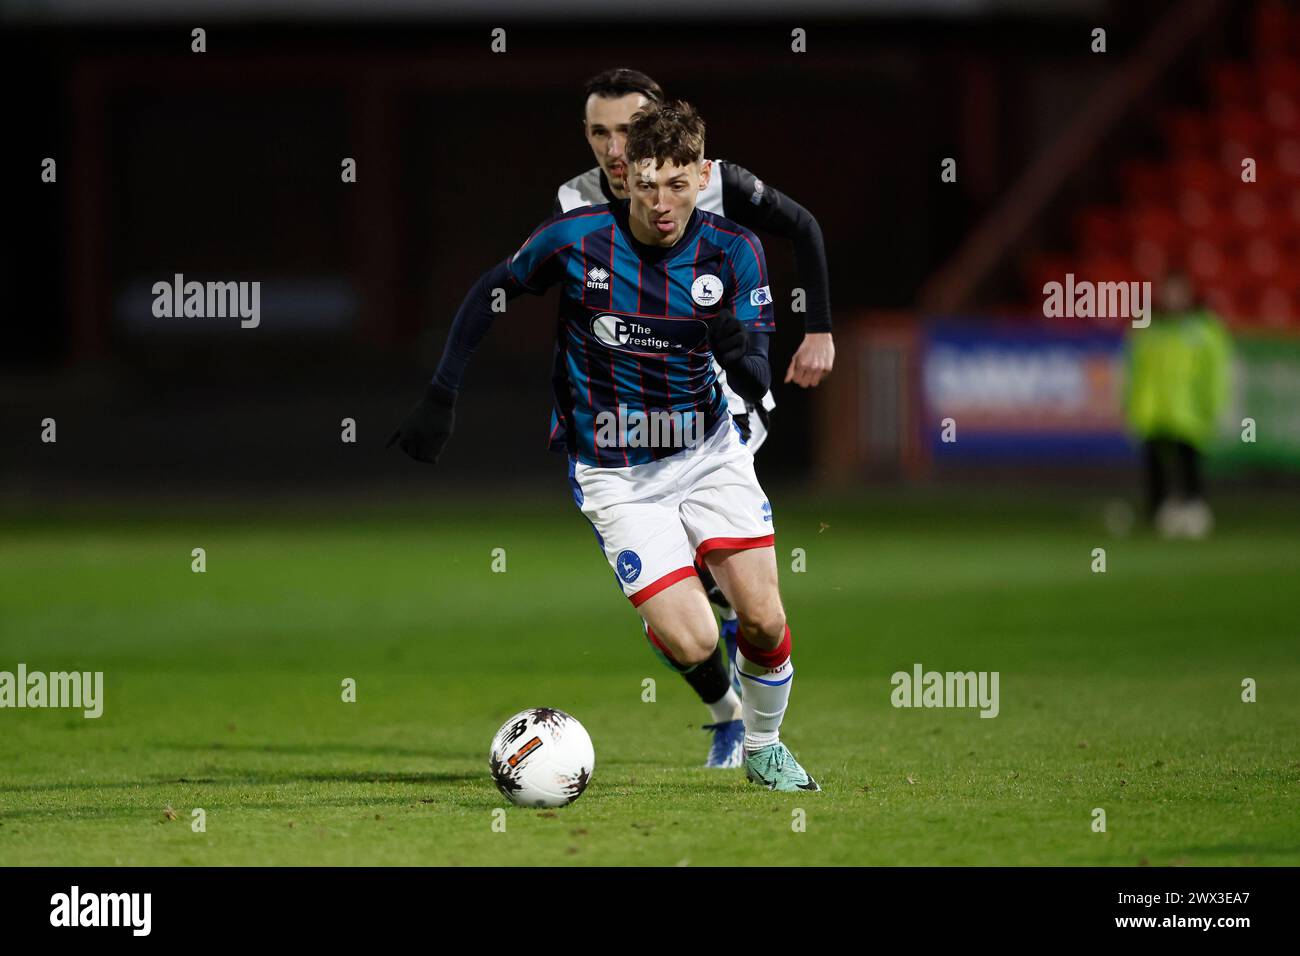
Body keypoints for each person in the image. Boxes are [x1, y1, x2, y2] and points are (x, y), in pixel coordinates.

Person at [389, 101, 818, 791]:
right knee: (696, 640)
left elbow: (759, 373)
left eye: (677, 184)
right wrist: (443, 392)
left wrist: (739, 354)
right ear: (626, 178)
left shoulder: (736, 250)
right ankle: (726, 707)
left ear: (701, 176)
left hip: (708, 455)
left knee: (764, 621)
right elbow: (492, 288)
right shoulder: (576, 239)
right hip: (616, 473)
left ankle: (765, 746)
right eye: (647, 184)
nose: (662, 201)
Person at [554, 68, 835, 766]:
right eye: (600, 132)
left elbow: (801, 224)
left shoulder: (715, 179)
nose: (616, 149)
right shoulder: (578, 202)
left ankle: (750, 716)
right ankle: (729, 711)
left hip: (722, 398)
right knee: (690, 608)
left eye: (628, 129)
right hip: (635, 422)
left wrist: (819, 328)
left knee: (738, 595)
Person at [1124, 271, 1232, 538]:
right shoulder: (1147, 329)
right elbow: (1133, 369)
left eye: (1178, 291)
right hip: (1153, 410)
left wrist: (1214, 403)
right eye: (1168, 291)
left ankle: (1194, 509)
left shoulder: (1205, 330)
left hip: (1189, 410)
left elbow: (1217, 370)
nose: (1172, 298)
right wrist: (1132, 403)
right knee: (1155, 463)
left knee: (1188, 460)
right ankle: (1159, 512)